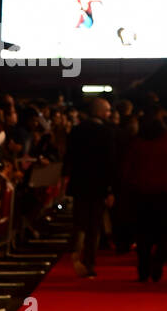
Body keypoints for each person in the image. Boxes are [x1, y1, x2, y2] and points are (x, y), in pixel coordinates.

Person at [63, 95, 117, 278]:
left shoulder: (77, 130)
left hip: (80, 184)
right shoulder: (107, 133)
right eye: (108, 110)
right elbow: (110, 163)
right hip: (98, 186)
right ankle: (89, 263)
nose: (110, 113)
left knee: (79, 223)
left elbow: (69, 157)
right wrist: (110, 189)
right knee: (94, 227)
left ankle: (75, 255)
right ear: (101, 112)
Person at [122, 109, 167, 282]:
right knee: (164, 234)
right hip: (164, 195)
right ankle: (158, 262)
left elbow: (127, 170)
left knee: (143, 235)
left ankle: (143, 268)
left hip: (141, 195)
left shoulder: (136, 144)